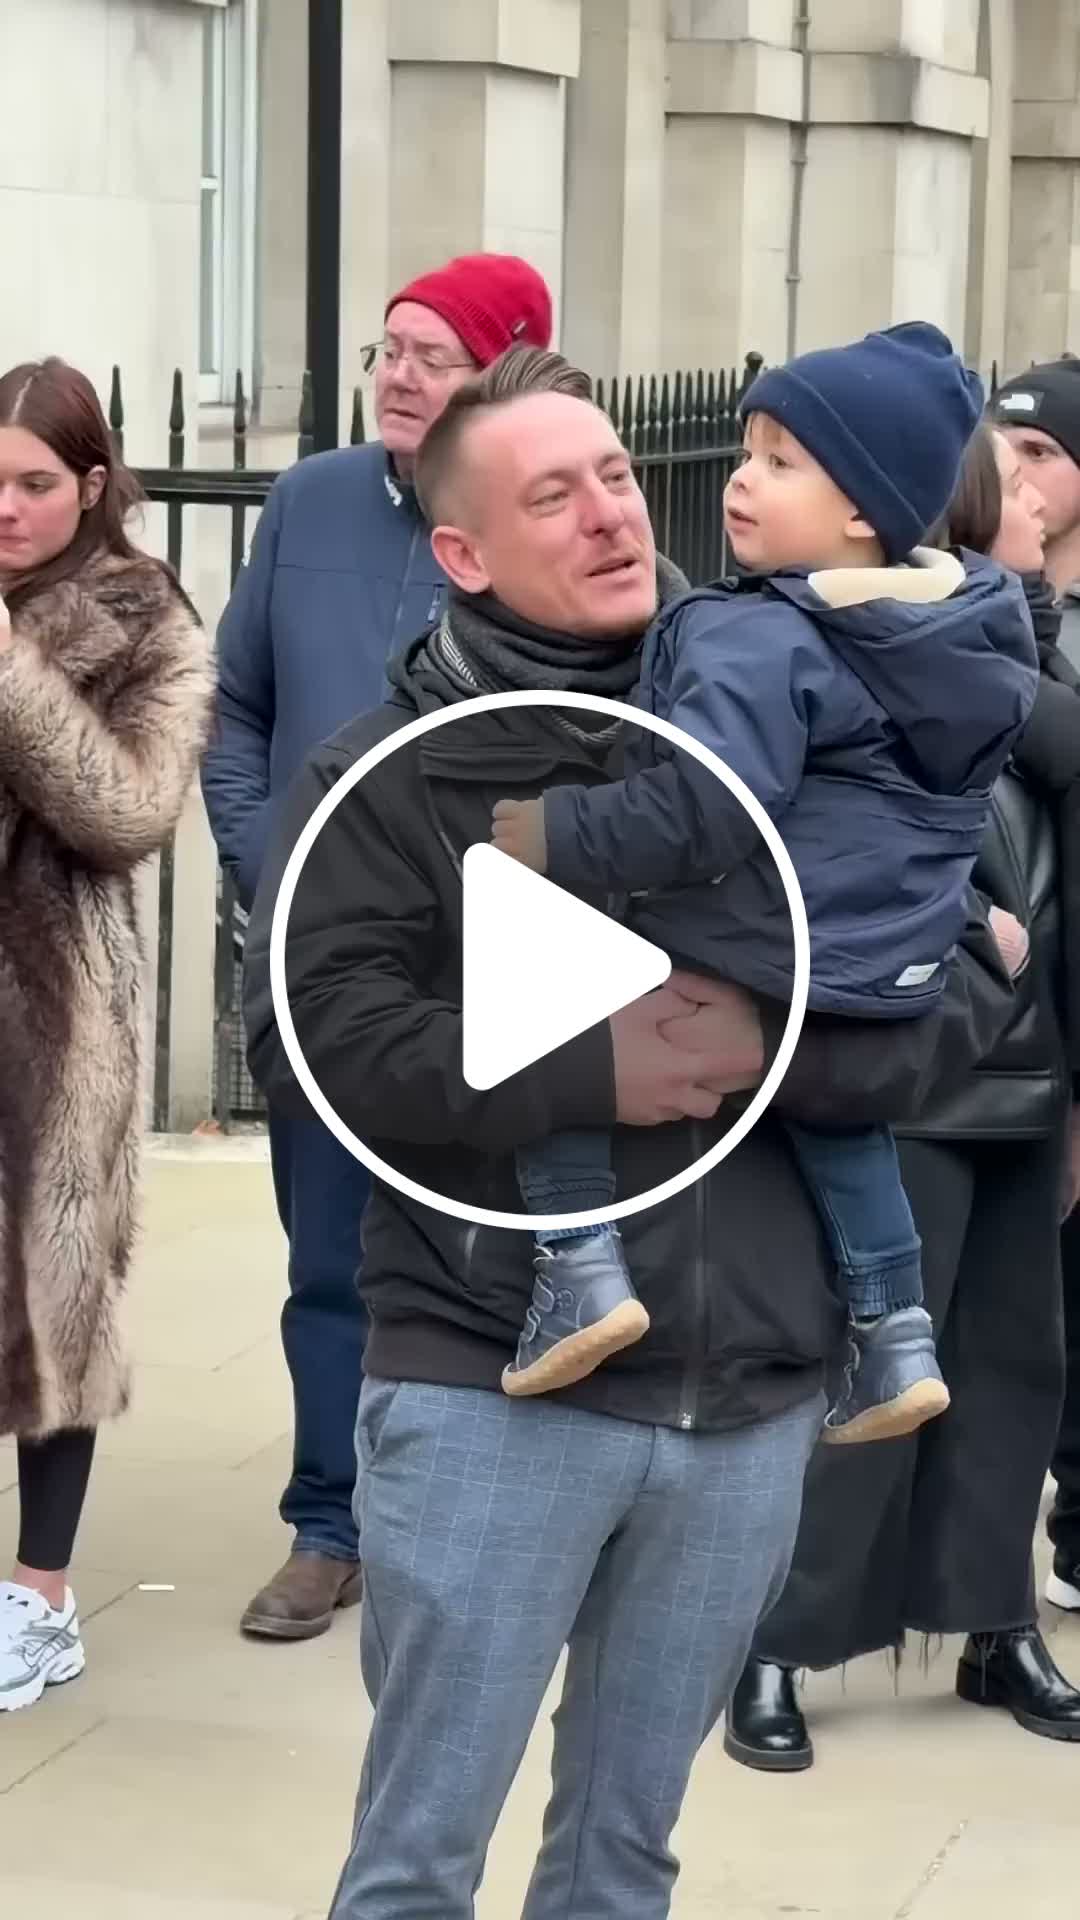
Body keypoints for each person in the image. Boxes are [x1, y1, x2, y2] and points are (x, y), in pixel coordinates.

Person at [242, 348, 1017, 1918]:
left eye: (613, 474)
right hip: (487, 1384)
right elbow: (325, 1049)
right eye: (553, 496)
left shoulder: (806, 682)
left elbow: (964, 995)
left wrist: (777, 1045)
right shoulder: (385, 777)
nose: (614, 515)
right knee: (415, 1868)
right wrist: (593, 1070)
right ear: (461, 553)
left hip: (750, 1399)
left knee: (625, 1861)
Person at [490, 325, 1036, 1445]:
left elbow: (704, 807)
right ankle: (892, 1332)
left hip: (750, 930)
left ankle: (580, 1267)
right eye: (746, 451)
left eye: (781, 461)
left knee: (541, 995)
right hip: (874, 963)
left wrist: (555, 831)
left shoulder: (759, 634)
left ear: (861, 513)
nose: (741, 477)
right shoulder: (956, 635)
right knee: (844, 1131)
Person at [201, 252, 553, 1639]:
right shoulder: (309, 502)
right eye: (388, 350)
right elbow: (237, 708)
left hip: (491, 970)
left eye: (434, 353)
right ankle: (330, 1522)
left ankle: (482, 1523)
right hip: (322, 961)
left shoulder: (546, 507)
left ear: (505, 370)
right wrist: (270, 858)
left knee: (507, 1249)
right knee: (332, 1258)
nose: (400, 376)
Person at [725, 419, 1080, 1768]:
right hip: (910, 1063)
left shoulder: (1034, 653)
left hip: (1028, 1069)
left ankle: (995, 1624)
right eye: (1020, 479)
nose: (1045, 501)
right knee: (870, 1374)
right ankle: (777, 1643)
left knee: (1009, 1370)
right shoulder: (889, 648)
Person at [0, 357, 212, 1711]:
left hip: (55, 1005)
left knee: (51, 1300)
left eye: (30, 484)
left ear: (90, 483)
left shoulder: (148, 618)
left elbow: (131, 811)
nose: (5, 510)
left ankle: (40, 1599)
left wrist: (11, 672)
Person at [993, 361, 1080, 1609]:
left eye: (1042, 458)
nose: (1017, 480)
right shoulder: (976, 610)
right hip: (1006, 1004)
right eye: (1000, 459)